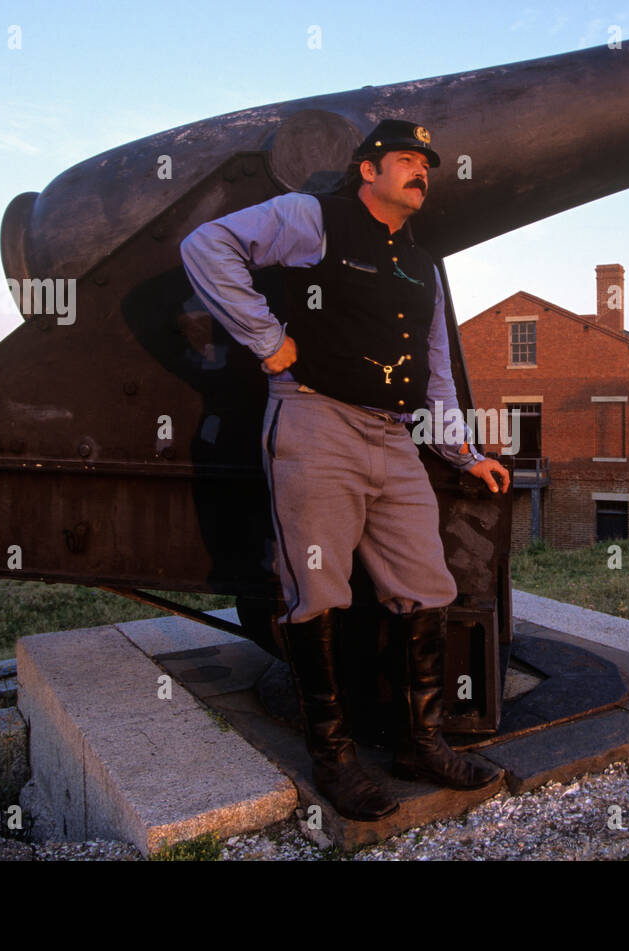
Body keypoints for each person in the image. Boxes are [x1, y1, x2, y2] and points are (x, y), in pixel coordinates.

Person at [180, 119, 510, 822]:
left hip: (393, 437)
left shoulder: (425, 266)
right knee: (317, 591)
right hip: (315, 418)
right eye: (405, 159)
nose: (420, 170)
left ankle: (421, 742)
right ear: (367, 170)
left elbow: (437, 374)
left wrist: (465, 453)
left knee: (427, 585)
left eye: (427, 162)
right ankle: (333, 758)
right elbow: (207, 245)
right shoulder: (313, 217)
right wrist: (267, 340)